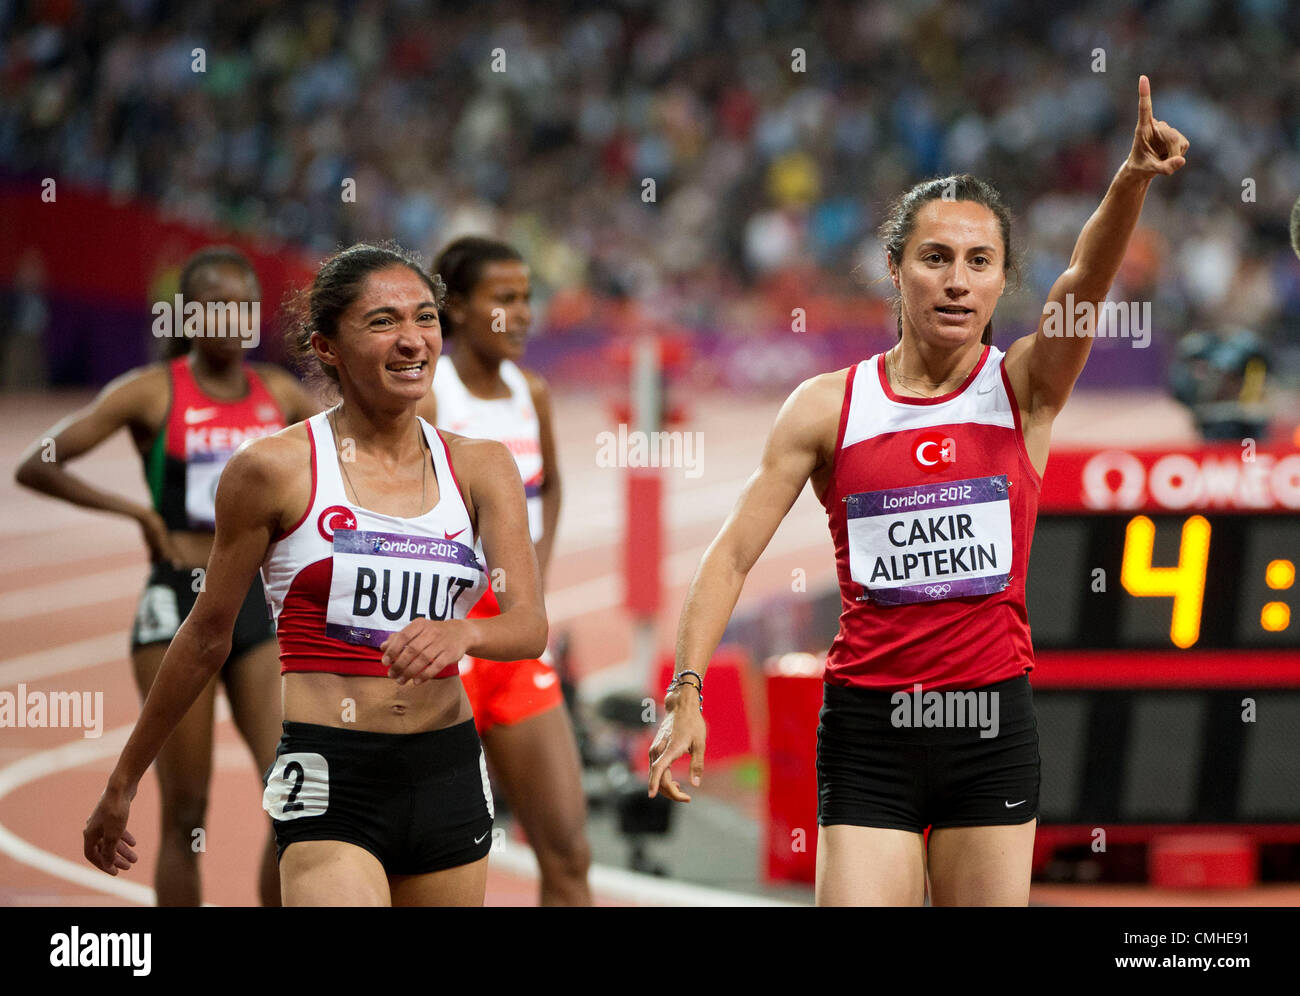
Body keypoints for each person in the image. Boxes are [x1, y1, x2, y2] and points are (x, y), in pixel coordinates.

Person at [648, 76, 1188, 906]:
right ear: (895, 269)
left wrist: (1129, 184)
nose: (957, 282)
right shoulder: (827, 407)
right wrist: (686, 691)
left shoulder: (1026, 388)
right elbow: (729, 558)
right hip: (870, 732)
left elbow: (1084, 279)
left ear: (1003, 281)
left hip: (989, 730)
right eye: (935, 259)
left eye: (980, 263)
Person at [82, 242, 548, 907]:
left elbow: (528, 625)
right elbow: (206, 635)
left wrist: (463, 636)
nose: (414, 341)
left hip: (445, 770)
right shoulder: (273, 469)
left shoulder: (481, 467)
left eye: (425, 318)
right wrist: (122, 782)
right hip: (331, 776)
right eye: (383, 322)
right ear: (326, 346)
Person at [15, 245, 315, 906]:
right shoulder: (153, 392)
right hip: (178, 600)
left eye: (245, 306)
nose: (234, 319)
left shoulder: (282, 394)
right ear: (190, 312)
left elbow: (339, 471)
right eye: (218, 305)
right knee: (187, 815)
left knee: (294, 802)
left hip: (256, 609)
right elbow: (36, 463)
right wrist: (134, 512)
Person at [416, 236, 591, 906]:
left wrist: (531, 585)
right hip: (446, 640)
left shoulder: (532, 392)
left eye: (527, 299)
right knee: (439, 860)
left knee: (569, 852)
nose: (522, 314)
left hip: (515, 643)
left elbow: (550, 487)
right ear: (456, 308)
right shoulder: (434, 400)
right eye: (504, 299)